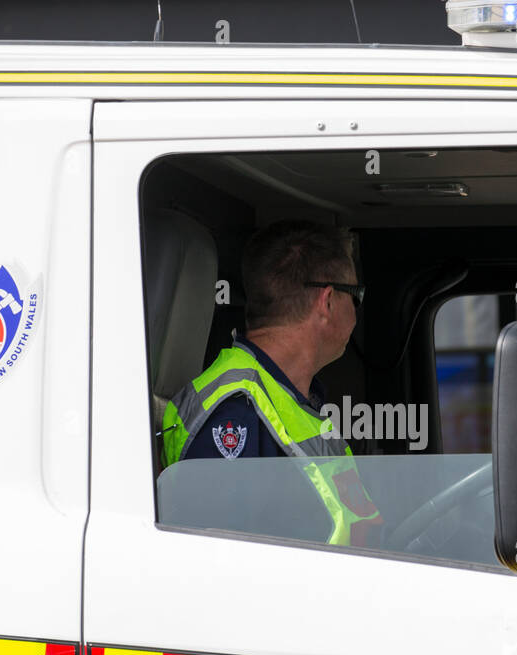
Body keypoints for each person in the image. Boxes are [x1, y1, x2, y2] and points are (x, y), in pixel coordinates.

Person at [159, 220, 383, 547]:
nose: (357, 309)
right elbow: (221, 566)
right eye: (356, 295)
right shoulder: (236, 413)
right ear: (329, 302)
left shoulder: (291, 400)